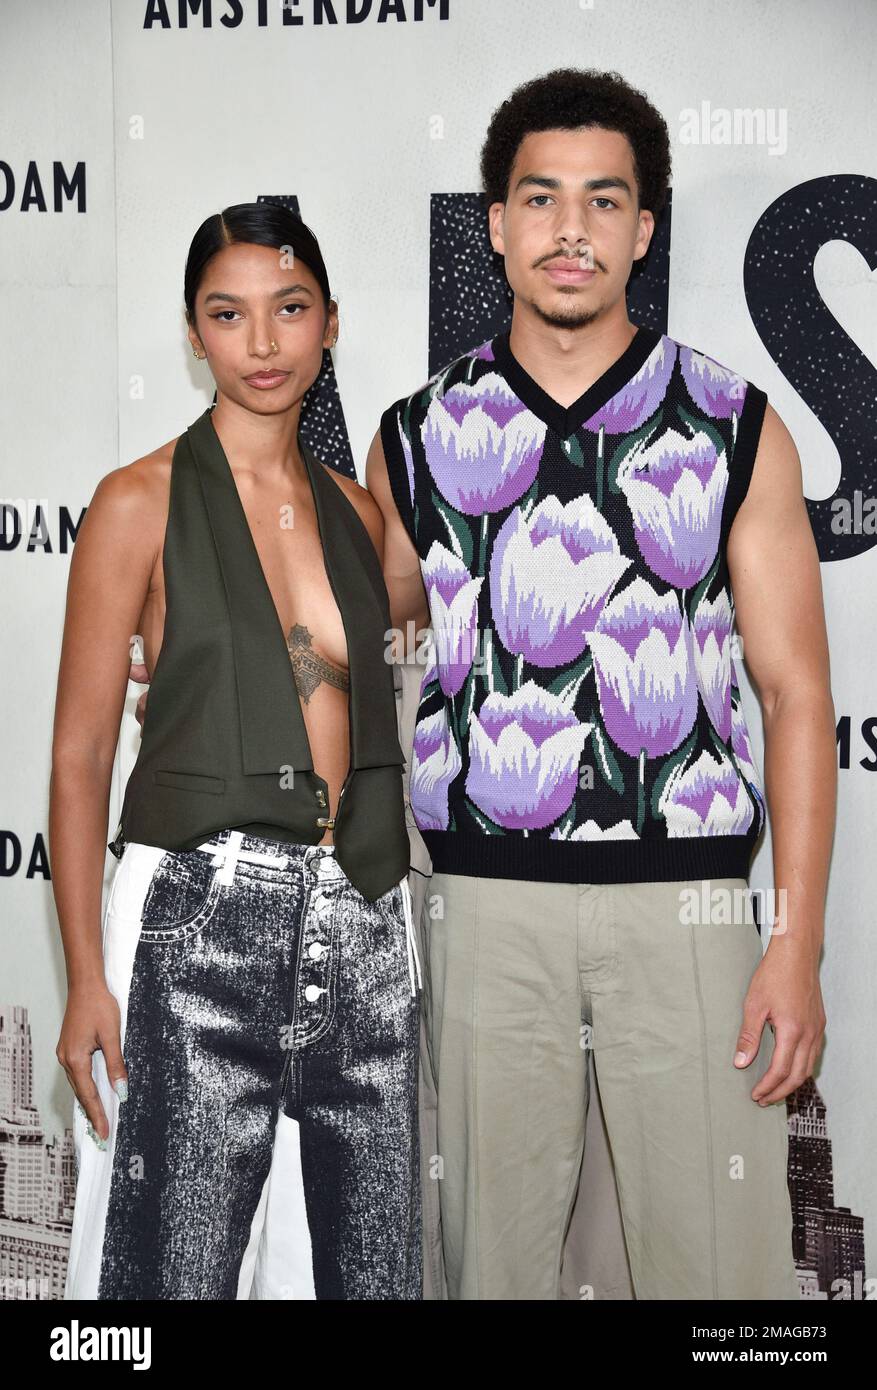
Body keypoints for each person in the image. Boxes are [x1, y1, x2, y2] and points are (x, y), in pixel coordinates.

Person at [366, 68, 832, 1300]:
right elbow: (367, 656)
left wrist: (790, 946)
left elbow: (792, 699)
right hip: (478, 910)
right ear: (496, 224)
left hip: (683, 912)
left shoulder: (736, 423)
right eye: (540, 198)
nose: (570, 229)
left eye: (603, 200)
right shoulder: (414, 435)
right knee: (489, 1274)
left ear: (644, 227)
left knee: (717, 1284)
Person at [52, 202, 423, 1300]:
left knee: (366, 1276)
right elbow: (78, 759)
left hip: (358, 912)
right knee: (161, 1280)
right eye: (229, 315)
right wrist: (84, 977)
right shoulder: (135, 503)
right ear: (194, 333)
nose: (262, 345)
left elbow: (372, 700)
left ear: (330, 325)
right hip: (192, 916)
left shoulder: (361, 514)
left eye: (289, 310)